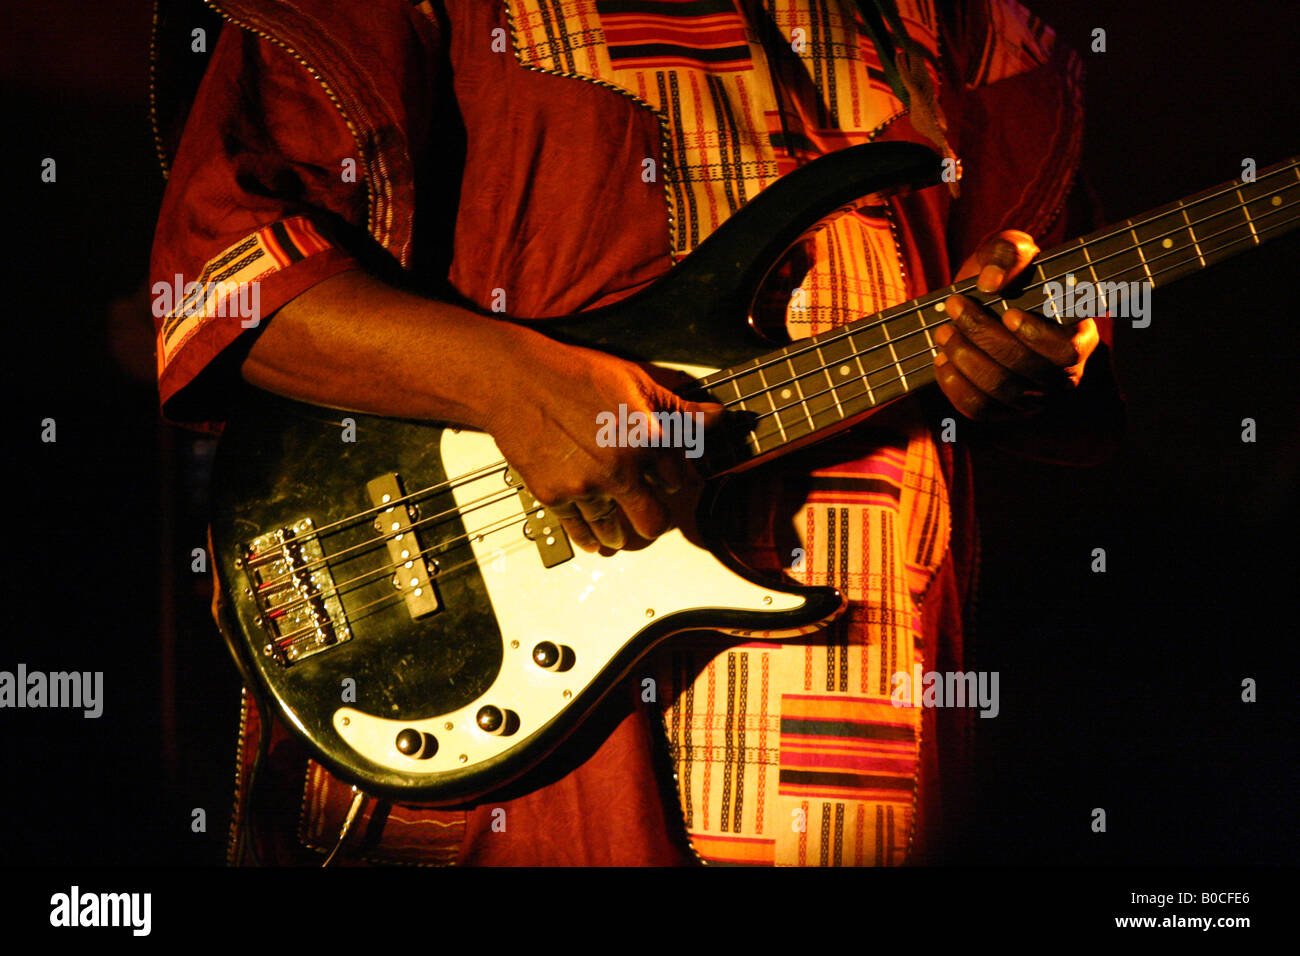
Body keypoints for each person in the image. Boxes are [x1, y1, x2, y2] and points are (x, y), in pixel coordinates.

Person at [151, 0, 1123, 865]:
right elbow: (220, 281)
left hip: (877, 704)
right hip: (532, 713)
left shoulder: (965, 24)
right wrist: (509, 380)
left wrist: (1041, 353)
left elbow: (1049, 312)